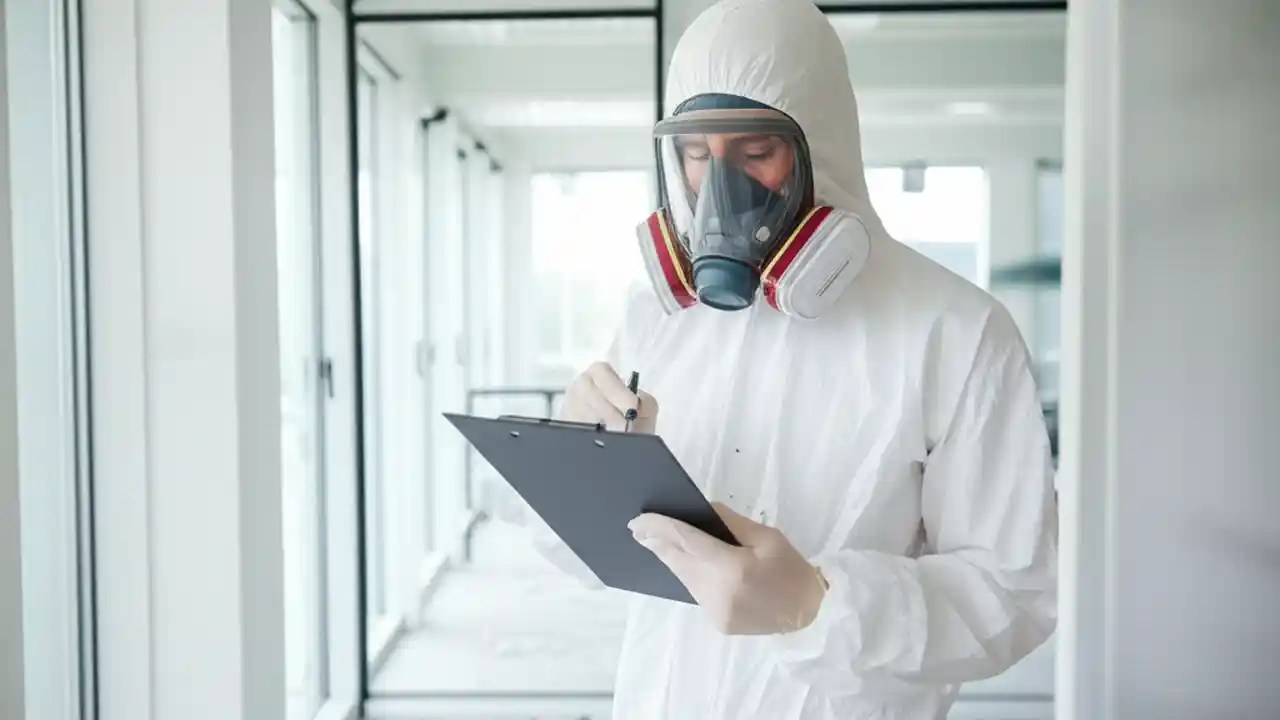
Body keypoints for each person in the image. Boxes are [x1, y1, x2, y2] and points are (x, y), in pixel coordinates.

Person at [522, 0, 1058, 716]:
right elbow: (586, 554)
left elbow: (1012, 592)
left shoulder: (956, 331)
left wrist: (818, 605)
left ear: (820, 147)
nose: (721, 192)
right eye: (696, 154)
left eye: (755, 154)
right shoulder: (659, 314)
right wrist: (580, 465)